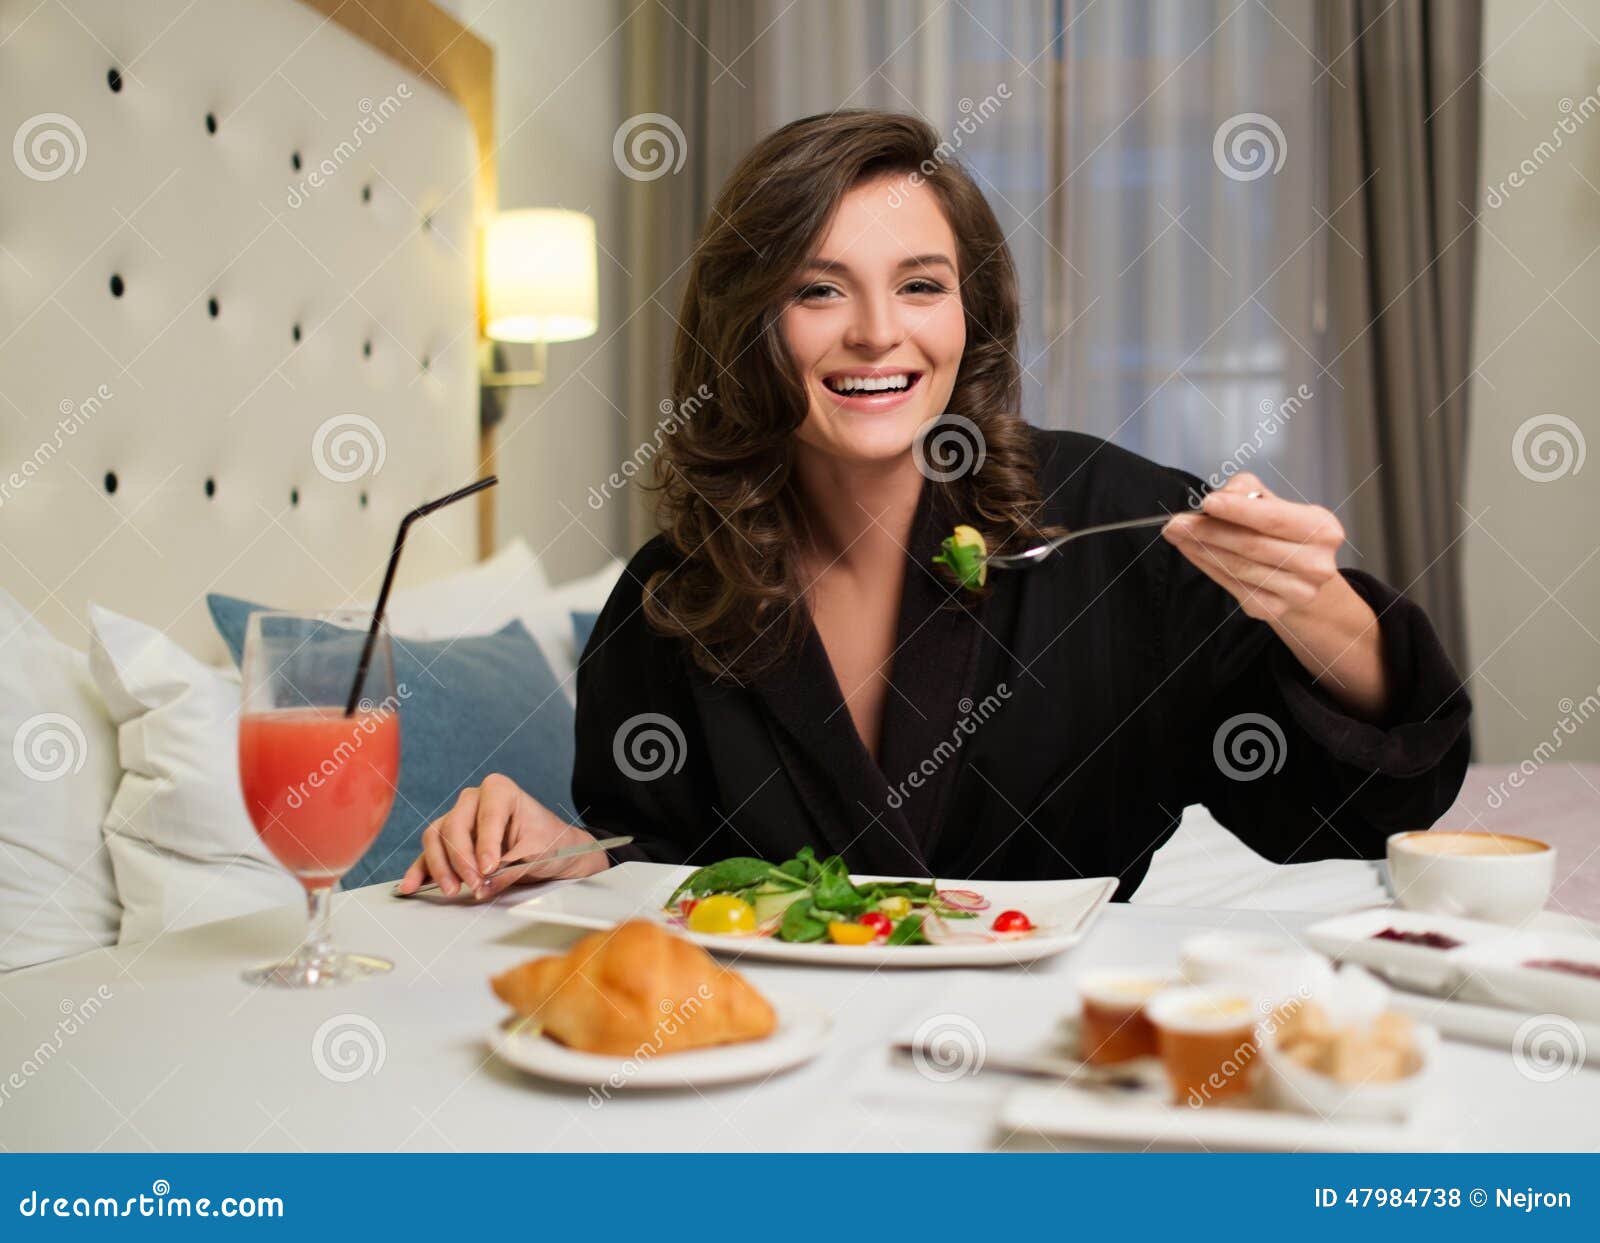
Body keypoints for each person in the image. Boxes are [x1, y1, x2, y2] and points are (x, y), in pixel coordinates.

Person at [398, 110, 1470, 901]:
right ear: (748, 327)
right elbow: (666, 873)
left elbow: (1364, 810)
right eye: (817, 290)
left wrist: (1313, 604)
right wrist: (559, 852)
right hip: (773, 1093)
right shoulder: (670, 600)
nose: (876, 332)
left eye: (919, 285)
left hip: (1061, 1070)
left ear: (973, 314)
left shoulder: (1107, 518)